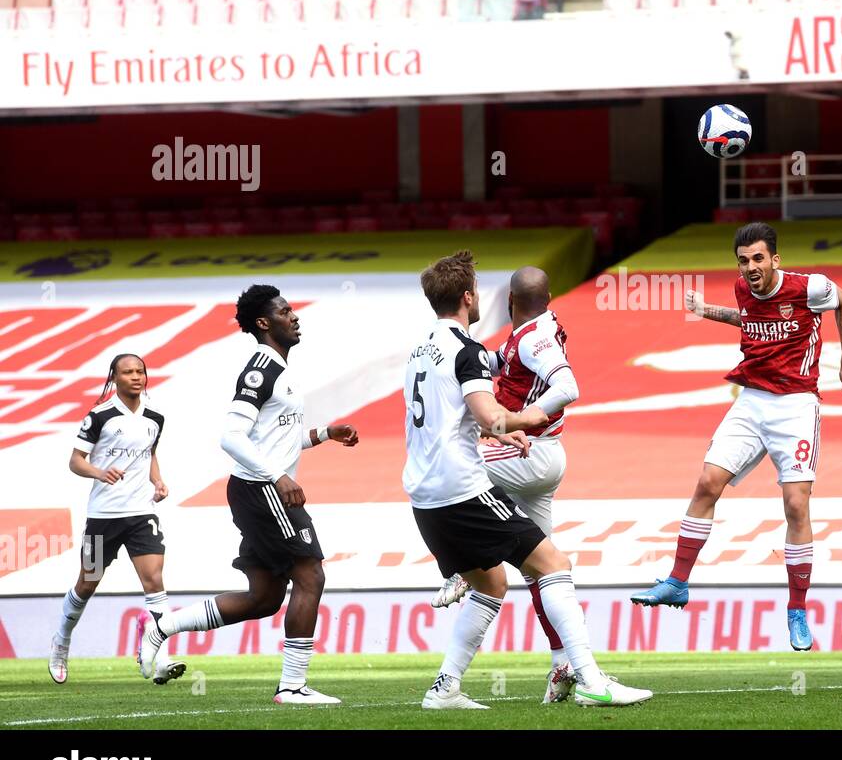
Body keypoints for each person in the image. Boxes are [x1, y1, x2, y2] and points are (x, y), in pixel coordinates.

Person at [407, 251, 651, 709]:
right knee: (554, 565)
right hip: (462, 487)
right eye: (477, 290)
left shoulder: (419, 352)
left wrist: (500, 428)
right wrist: (512, 423)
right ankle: (591, 680)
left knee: (493, 584)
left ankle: (445, 688)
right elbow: (486, 411)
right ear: (467, 296)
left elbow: (452, 417)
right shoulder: (469, 350)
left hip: (423, 495)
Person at [631, 222, 842, 651]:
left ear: (775, 258)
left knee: (795, 504)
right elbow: (748, 318)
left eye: (758, 258)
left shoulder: (810, 288)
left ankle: (796, 610)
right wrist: (705, 310)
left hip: (796, 405)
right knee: (706, 483)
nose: (750, 267)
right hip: (752, 400)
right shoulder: (741, 289)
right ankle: (678, 582)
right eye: (743, 260)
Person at [137, 285, 360, 705]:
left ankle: (164, 625)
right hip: (262, 491)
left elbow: (273, 440)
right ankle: (292, 687)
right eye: (285, 311)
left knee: (264, 597)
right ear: (264, 322)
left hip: (257, 490)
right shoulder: (261, 369)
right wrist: (278, 477)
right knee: (311, 574)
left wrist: (324, 434)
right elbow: (232, 437)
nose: (295, 317)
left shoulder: (282, 370)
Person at [431, 264, 584, 703]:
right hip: (542, 460)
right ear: (548, 298)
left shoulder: (535, 338)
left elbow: (567, 385)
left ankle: (460, 568)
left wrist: (532, 415)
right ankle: (562, 664)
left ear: (510, 301)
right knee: (543, 570)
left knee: (455, 468)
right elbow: (498, 363)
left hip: (529, 451)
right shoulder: (531, 333)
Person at [49, 354, 184, 686]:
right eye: (128, 372)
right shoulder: (100, 416)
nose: (136, 377)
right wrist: (99, 471)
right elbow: (75, 461)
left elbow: (149, 453)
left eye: (140, 371)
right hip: (103, 518)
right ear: (114, 378)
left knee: (154, 582)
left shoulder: (155, 417)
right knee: (87, 584)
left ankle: (159, 657)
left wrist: (158, 481)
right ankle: (61, 642)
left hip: (141, 514)